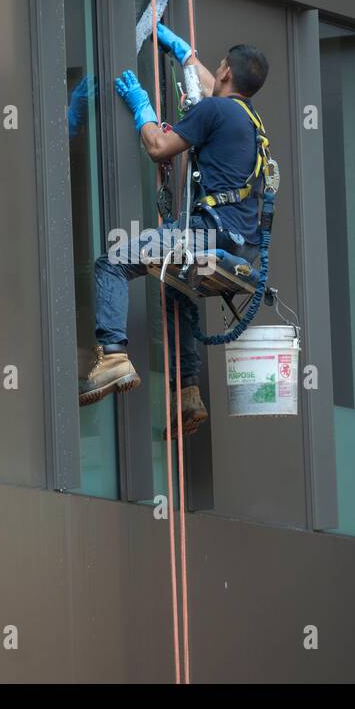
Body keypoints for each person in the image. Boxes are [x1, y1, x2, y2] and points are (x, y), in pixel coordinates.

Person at [78, 27, 270, 437]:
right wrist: (182, 53)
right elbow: (206, 83)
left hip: (204, 235)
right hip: (238, 247)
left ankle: (112, 356)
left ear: (225, 74)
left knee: (112, 262)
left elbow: (158, 148)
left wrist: (142, 109)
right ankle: (187, 392)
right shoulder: (249, 119)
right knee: (174, 290)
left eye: (216, 67)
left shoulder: (214, 111)